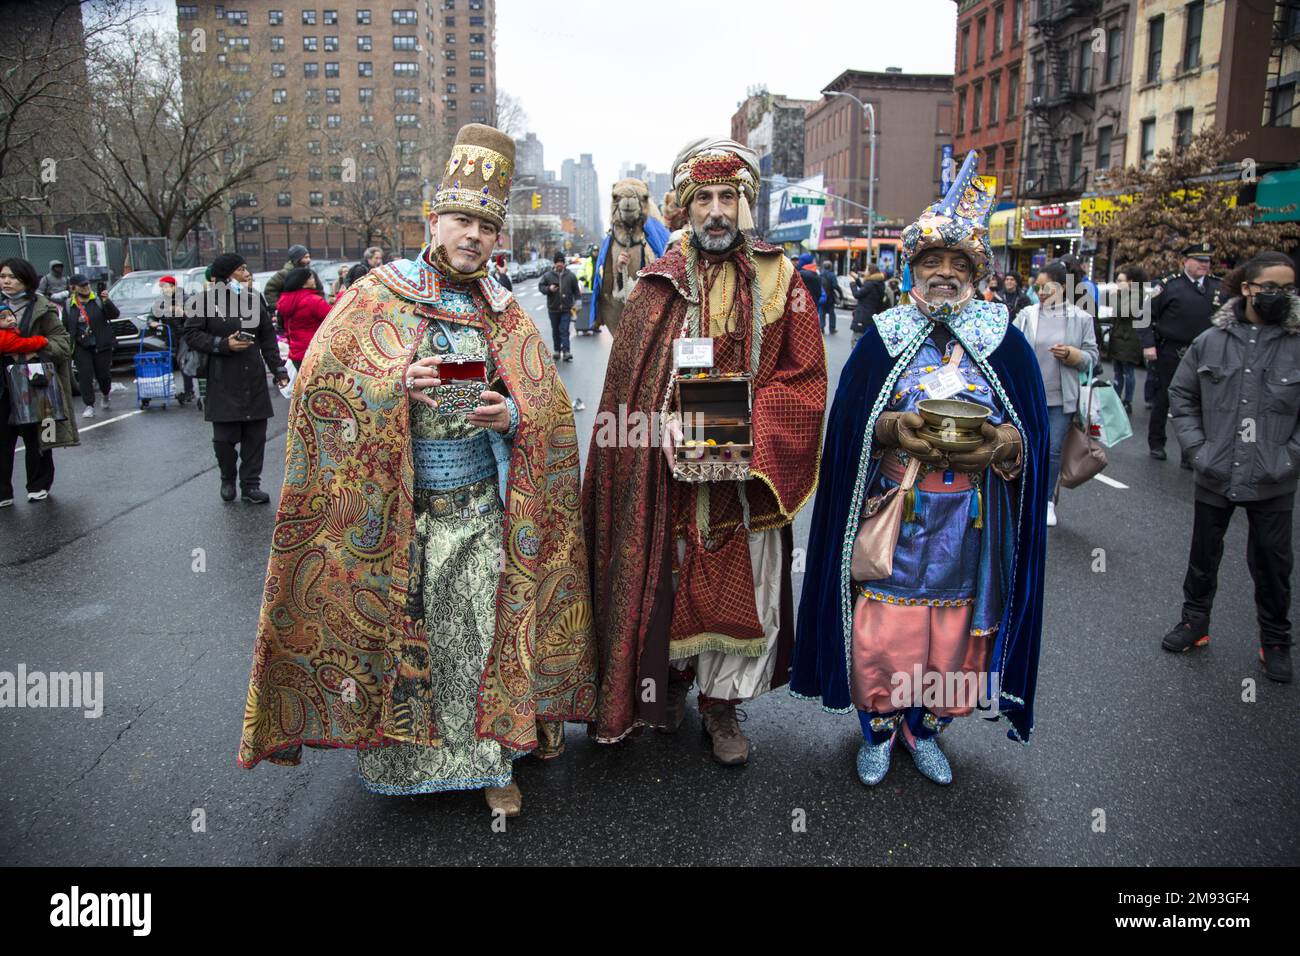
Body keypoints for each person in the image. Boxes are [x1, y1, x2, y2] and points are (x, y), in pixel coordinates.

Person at [237, 124, 597, 816]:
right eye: (462, 219)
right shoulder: (378, 293)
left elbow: (549, 410)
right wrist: (396, 381)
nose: (474, 236)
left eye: (487, 226)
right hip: (403, 516)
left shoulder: (506, 309)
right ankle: (408, 766)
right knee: (414, 650)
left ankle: (496, 764)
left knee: (481, 641)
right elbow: (322, 387)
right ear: (432, 220)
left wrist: (512, 418)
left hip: (483, 511)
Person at [790, 150, 1049, 787]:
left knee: (953, 636)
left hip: (972, 525)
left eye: (956, 265)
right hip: (896, 517)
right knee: (885, 630)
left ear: (975, 274)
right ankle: (878, 729)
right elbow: (848, 425)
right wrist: (887, 428)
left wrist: (1004, 447)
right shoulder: (884, 335)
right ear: (911, 270)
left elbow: (1031, 437)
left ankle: (925, 728)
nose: (942, 274)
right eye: (930, 263)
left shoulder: (1004, 340)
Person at [582, 137, 827, 763]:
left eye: (729, 198)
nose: (716, 211)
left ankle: (722, 711)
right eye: (704, 199)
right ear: (686, 208)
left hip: (743, 480)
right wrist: (653, 423)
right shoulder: (655, 283)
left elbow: (803, 378)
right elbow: (629, 385)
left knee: (733, 578)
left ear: (745, 205)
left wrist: (745, 430)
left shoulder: (784, 279)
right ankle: (663, 686)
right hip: (667, 476)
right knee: (664, 574)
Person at [1163, 251, 1299, 684]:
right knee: (1203, 555)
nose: (1280, 296)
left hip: (1274, 480)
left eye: (1288, 289)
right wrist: (1199, 451)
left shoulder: (1296, 344)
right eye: (1270, 288)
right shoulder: (1211, 341)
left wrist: (1289, 458)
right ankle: (1194, 623)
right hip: (1216, 472)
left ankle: (1275, 640)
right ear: (1247, 289)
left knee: (1273, 563)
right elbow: (1181, 397)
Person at [183, 253, 288, 504]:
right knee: (224, 440)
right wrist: (222, 344)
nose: (246, 274)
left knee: (255, 437)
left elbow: (267, 339)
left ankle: (251, 485)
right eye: (241, 270)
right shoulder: (205, 302)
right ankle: (227, 478)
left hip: (252, 376)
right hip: (223, 378)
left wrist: (279, 371)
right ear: (227, 276)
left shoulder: (253, 299)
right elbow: (191, 334)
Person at [1013, 259, 1099, 527]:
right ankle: (1021, 495)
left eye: (1046, 287)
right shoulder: (1027, 315)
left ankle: (1047, 500)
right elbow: (1009, 345)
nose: (1040, 292)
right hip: (1028, 394)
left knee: (1051, 451)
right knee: (1024, 447)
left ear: (1063, 287)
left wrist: (1074, 355)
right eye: (1037, 287)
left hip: (1062, 397)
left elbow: (1093, 357)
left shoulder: (1081, 318)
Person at [0, 257, 78, 506]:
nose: (6, 281)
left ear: (27, 280)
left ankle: (38, 484)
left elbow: (63, 343)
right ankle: (3, 492)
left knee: (38, 437)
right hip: (2, 384)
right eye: (3, 277)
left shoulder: (43, 308)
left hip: (33, 383)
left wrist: (36, 351)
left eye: (12, 277)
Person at [1142, 243, 1220, 463]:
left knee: (1201, 402)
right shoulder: (1168, 286)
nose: (1204, 265)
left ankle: (1190, 450)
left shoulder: (1217, 287)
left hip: (1206, 353)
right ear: (1186, 261)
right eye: (1199, 261)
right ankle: (1157, 443)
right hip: (1172, 351)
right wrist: (1149, 344)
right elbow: (1145, 315)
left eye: (1207, 261)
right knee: (1164, 398)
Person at [63, 274, 119, 419]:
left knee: (103, 375)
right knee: (85, 376)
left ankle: (106, 394)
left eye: (87, 284)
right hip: (81, 346)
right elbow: (65, 326)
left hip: (101, 344)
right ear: (73, 288)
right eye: (82, 286)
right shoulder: (69, 305)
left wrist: (107, 301)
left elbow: (114, 315)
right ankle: (89, 405)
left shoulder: (98, 300)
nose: (86, 288)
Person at [148, 275, 196, 405]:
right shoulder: (161, 302)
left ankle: (189, 391)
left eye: (165, 286)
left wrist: (182, 312)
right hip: (170, 337)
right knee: (178, 363)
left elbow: (195, 318)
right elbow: (152, 315)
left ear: (174, 286)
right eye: (162, 287)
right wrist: (152, 322)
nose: (164, 290)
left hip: (185, 336)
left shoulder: (186, 299)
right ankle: (184, 390)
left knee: (183, 362)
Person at [1108, 264, 1147, 415]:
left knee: (1128, 371)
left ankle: (1127, 401)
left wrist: (1117, 295)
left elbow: (1123, 311)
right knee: (1118, 371)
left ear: (1131, 281)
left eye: (1120, 280)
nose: (1118, 283)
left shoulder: (1137, 295)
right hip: (1119, 336)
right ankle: (1116, 398)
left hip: (1130, 338)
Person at [276, 267, 332, 366]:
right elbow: (333, 319)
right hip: (315, 352)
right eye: (310, 278)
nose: (314, 280)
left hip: (295, 353)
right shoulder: (313, 301)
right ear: (302, 282)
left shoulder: (285, 300)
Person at [539, 251, 580, 362]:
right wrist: (549, 289)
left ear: (564, 263)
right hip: (553, 309)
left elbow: (576, 290)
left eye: (561, 262)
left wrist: (578, 303)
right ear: (554, 263)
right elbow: (541, 287)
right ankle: (557, 350)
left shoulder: (570, 276)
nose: (559, 264)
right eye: (557, 262)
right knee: (555, 330)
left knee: (564, 330)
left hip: (566, 309)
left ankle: (566, 351)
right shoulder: (548, 276)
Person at [261, 243, 312, 312]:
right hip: (290, 314)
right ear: (297, 259)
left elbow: (319, 289)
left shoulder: (310, 273)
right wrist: (279, 306)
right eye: (305, 257)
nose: (309, 260)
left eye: (309, 257)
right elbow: (270, 289)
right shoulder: (285, 274)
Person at [849, 268, 886, 344]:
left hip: (863, 317)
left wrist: (852, 283)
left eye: (866, 270)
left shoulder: (870, 283)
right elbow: (865, 290)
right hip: (871, 317)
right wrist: (857, 279)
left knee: (856, 341)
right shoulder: (878, 284)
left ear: (870, 272)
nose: (864, 271)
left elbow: (857, 294)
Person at [818, 259, 841, 334]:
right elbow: (835, 285)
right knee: (832, 313)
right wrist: (840, 293)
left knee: (822, 312)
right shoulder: (832, 275)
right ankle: (832, 328)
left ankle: (821, 327)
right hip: (830, 297)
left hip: (822, 296)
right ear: (830, 267)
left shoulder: (820, 275)